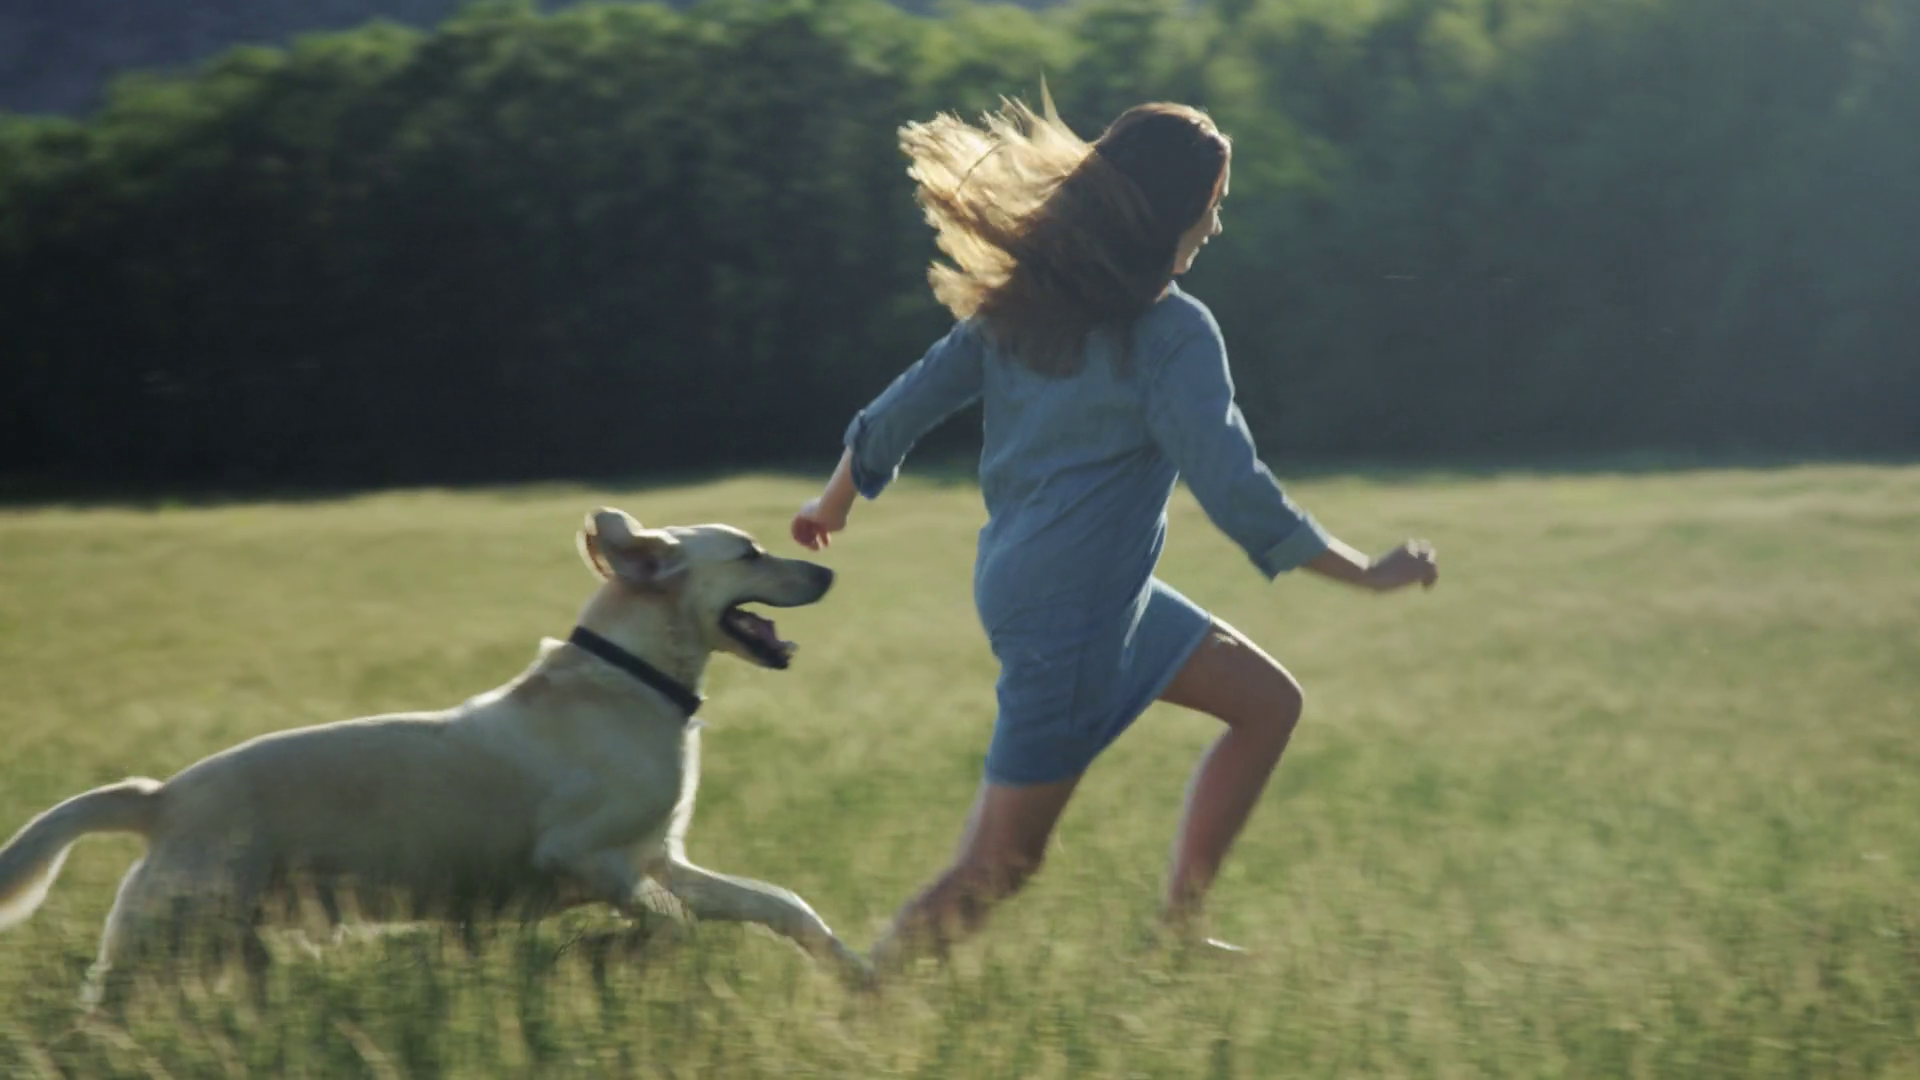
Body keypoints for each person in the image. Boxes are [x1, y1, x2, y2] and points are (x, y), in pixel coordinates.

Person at [790, 97, 1439, 973]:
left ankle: (1179, 935)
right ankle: (863, 1000)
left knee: (1266, 703)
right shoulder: (1173, 334)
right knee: (1002, 866)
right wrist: (1366, 573)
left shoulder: (1027, 308)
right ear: (1176, 208)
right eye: (1214, 200)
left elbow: (904, 403)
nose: (1218, 220)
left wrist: (835, 501)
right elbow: (1235, 489)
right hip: (1076, 615)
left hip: (1060, 589)